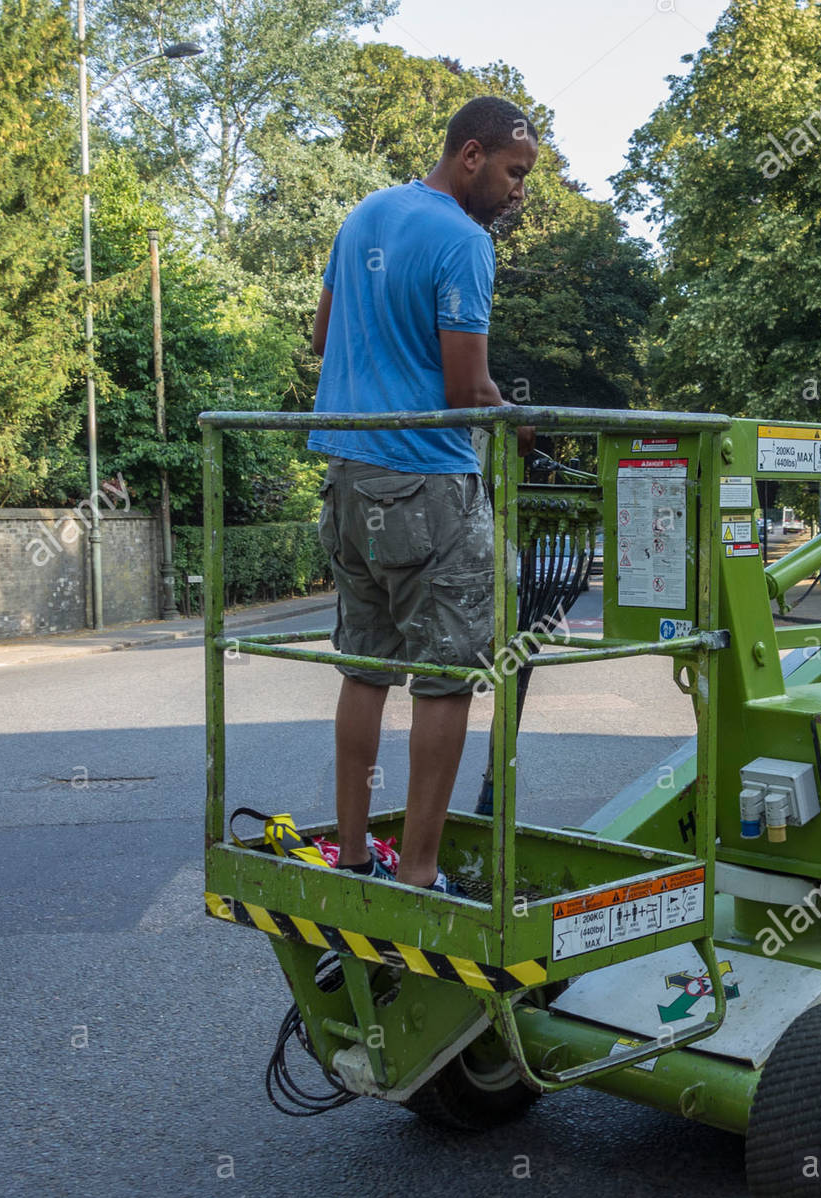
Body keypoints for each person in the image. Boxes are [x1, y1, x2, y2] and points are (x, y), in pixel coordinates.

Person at [308, 96, 539, 890]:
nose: (518, 193)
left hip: (348, 479)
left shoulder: (364, 215)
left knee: (364, 667)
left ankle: (356, 853)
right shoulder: (465, 243)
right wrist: (520, 421)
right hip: (426, 484)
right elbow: (467, 390)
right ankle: (420, 874)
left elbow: (322, 339)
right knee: (446, 677)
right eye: (514, 174)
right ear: (471, 155)